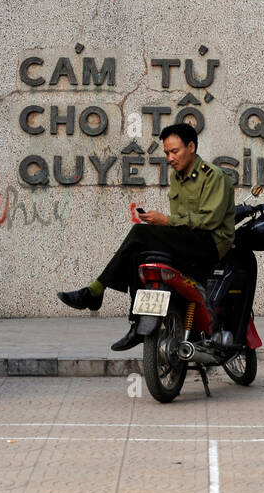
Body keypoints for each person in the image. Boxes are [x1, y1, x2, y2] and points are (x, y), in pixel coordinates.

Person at [57, 122, 235, 351]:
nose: (170, 157)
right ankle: (137, 323)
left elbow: (210, 221)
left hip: (210, 243)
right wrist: (165, 224)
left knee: (140, 233)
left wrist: (165, 222)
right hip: (186, 241)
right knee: (137, 255)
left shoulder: (213, 176)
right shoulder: (177, 177)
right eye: (167, 152)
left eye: (175, 151)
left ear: (191, 147)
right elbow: (181, 222)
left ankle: (96, 290)